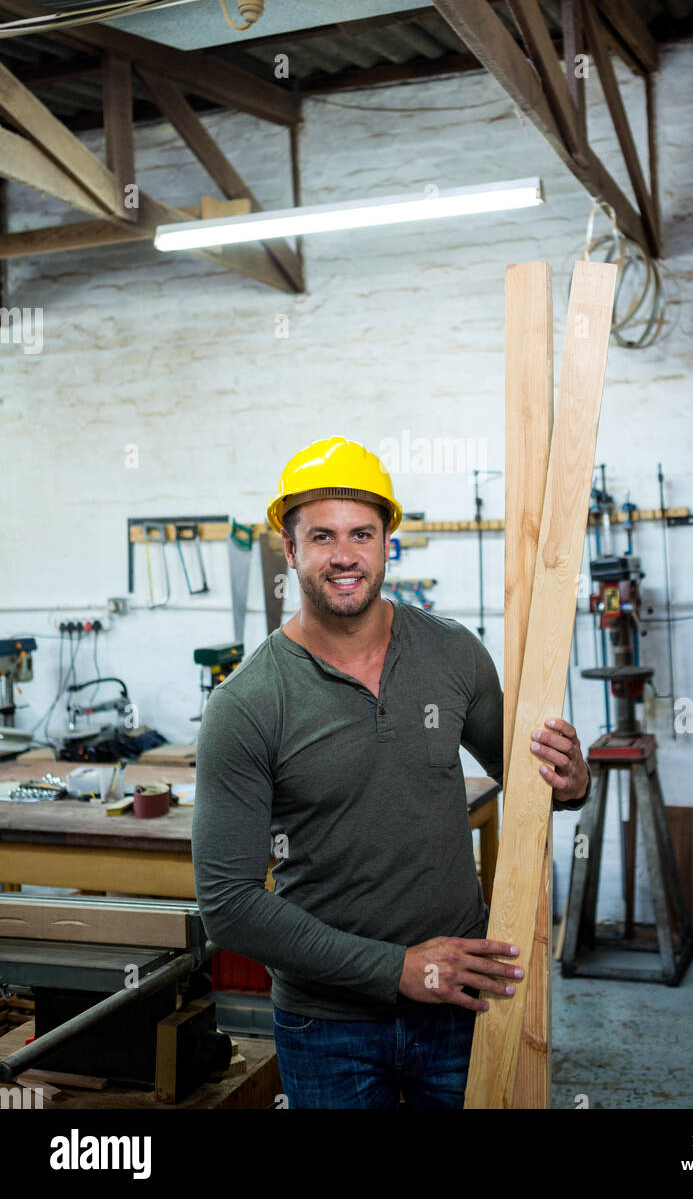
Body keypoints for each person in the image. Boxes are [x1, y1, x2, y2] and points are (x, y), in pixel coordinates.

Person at [191, 436, 591, 1109]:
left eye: (361, 534)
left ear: (386, 544)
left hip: (463, 997)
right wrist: (398, 969)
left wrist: (573, 782)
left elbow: (529, 790)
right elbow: (228, 905)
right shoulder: (247, 703)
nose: (344, 555)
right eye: (321, 535)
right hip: (328, 1025)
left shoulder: (455, 653)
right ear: (289, 550)